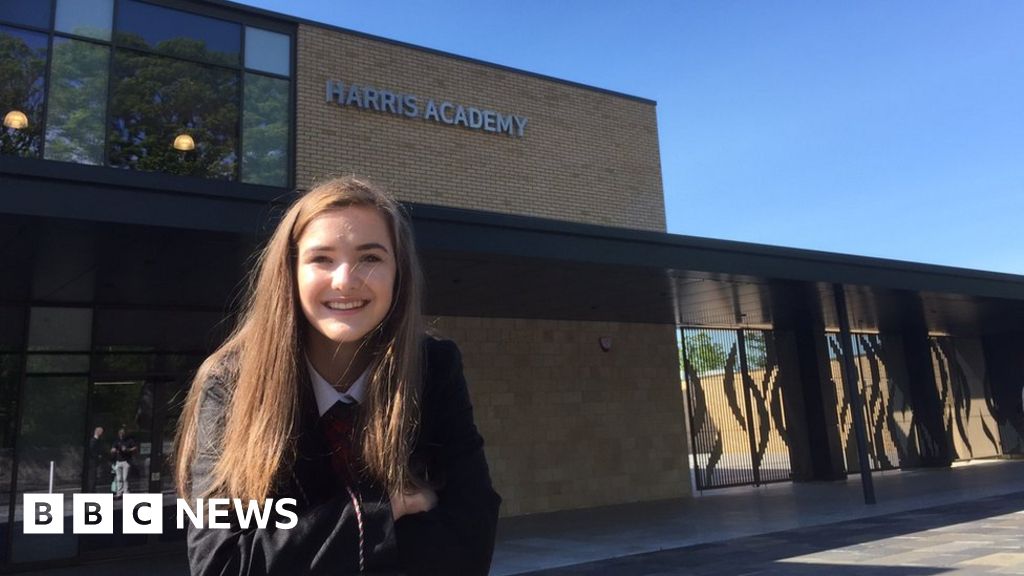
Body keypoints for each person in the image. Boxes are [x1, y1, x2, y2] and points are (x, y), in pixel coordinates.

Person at [174, 176, 501, 575]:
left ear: (399, 273)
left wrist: (292, 544)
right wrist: (385, 510)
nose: (345, 280)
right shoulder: (231, 381)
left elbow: (469, 545)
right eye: (321, 258)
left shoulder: (434, 367)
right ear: (290, 272)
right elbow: (220, 563)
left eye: (370, 257)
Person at [110, 426, 137, 497]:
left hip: (126, 461)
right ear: (118, 434)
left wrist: (127, 449)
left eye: (123, 433)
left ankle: (126, 491)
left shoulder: (129, 440)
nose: (121, 434)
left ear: (125, 433)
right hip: (118, 461)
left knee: (125, 478)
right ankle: (119, 492)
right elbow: (112, 448)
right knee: (119, 478)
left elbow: (135, 448)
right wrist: (113, 450)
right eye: (120, 433)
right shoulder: (116, 441)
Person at [86, 426, 105, 493]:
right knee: (92, 476)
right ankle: (91, 490)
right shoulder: (93, 440)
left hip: (95, 461)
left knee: (94, 476)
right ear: (98, 432)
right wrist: (97, 456)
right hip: (92, 461)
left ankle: (93, 489)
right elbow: (91, 450)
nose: (102, 434)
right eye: (101, 432)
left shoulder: (97, 440)